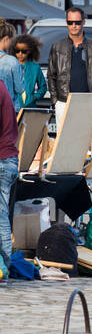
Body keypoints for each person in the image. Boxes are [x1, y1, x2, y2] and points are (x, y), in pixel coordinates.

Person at [47, 7, 92, 116]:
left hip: (91, 102)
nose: (74, 25)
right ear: (66, 23)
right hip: (64, 103)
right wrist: (55, 102)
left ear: (83, 22)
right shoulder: (57, 47)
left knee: (90, 134)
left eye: (77, 22)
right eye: (70, 22)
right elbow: (51, 76)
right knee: (65, 134)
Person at [0, 80, 18, 275]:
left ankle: (3, 268)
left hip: (2, 160)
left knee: (0, 217)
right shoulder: (2, 86)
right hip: (8, 159)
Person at [11, 35, 47, 109]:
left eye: (24, 51)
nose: (20, 54)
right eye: (17, 51)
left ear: (29, 51)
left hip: (30, 107)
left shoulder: (35, 68)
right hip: (13, 107)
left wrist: (34, 97)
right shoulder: (9, 66)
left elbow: (43, 87)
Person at [0, 24, 23, 109]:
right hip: (9, 108)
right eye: (11, 40)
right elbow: (20, 89)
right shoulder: (11, 61)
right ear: (6, 39)